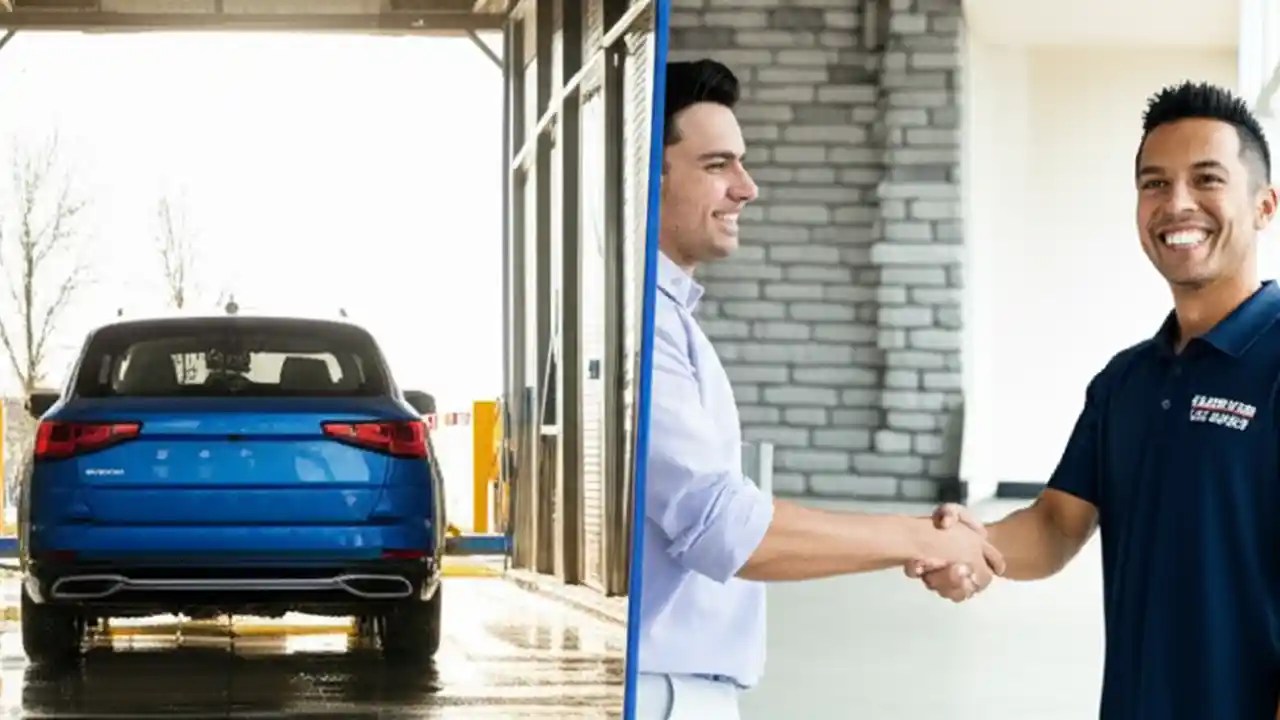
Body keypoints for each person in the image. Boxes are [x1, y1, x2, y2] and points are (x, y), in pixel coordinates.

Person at [633, 58, 1006, 719]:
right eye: (717, 164)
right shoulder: (641, 325)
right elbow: (726, 529)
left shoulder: (667, 319)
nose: (747, 188)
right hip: (660, 693)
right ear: (645, 174)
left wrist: (928, 536)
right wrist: (925, 539)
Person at [912, 81, 1280, 719]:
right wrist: (973, 546)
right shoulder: (1126, 382)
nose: (1177, 204)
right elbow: (1057, 526)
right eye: (1154, 183)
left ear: (1264, 206)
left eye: (1207, 179)